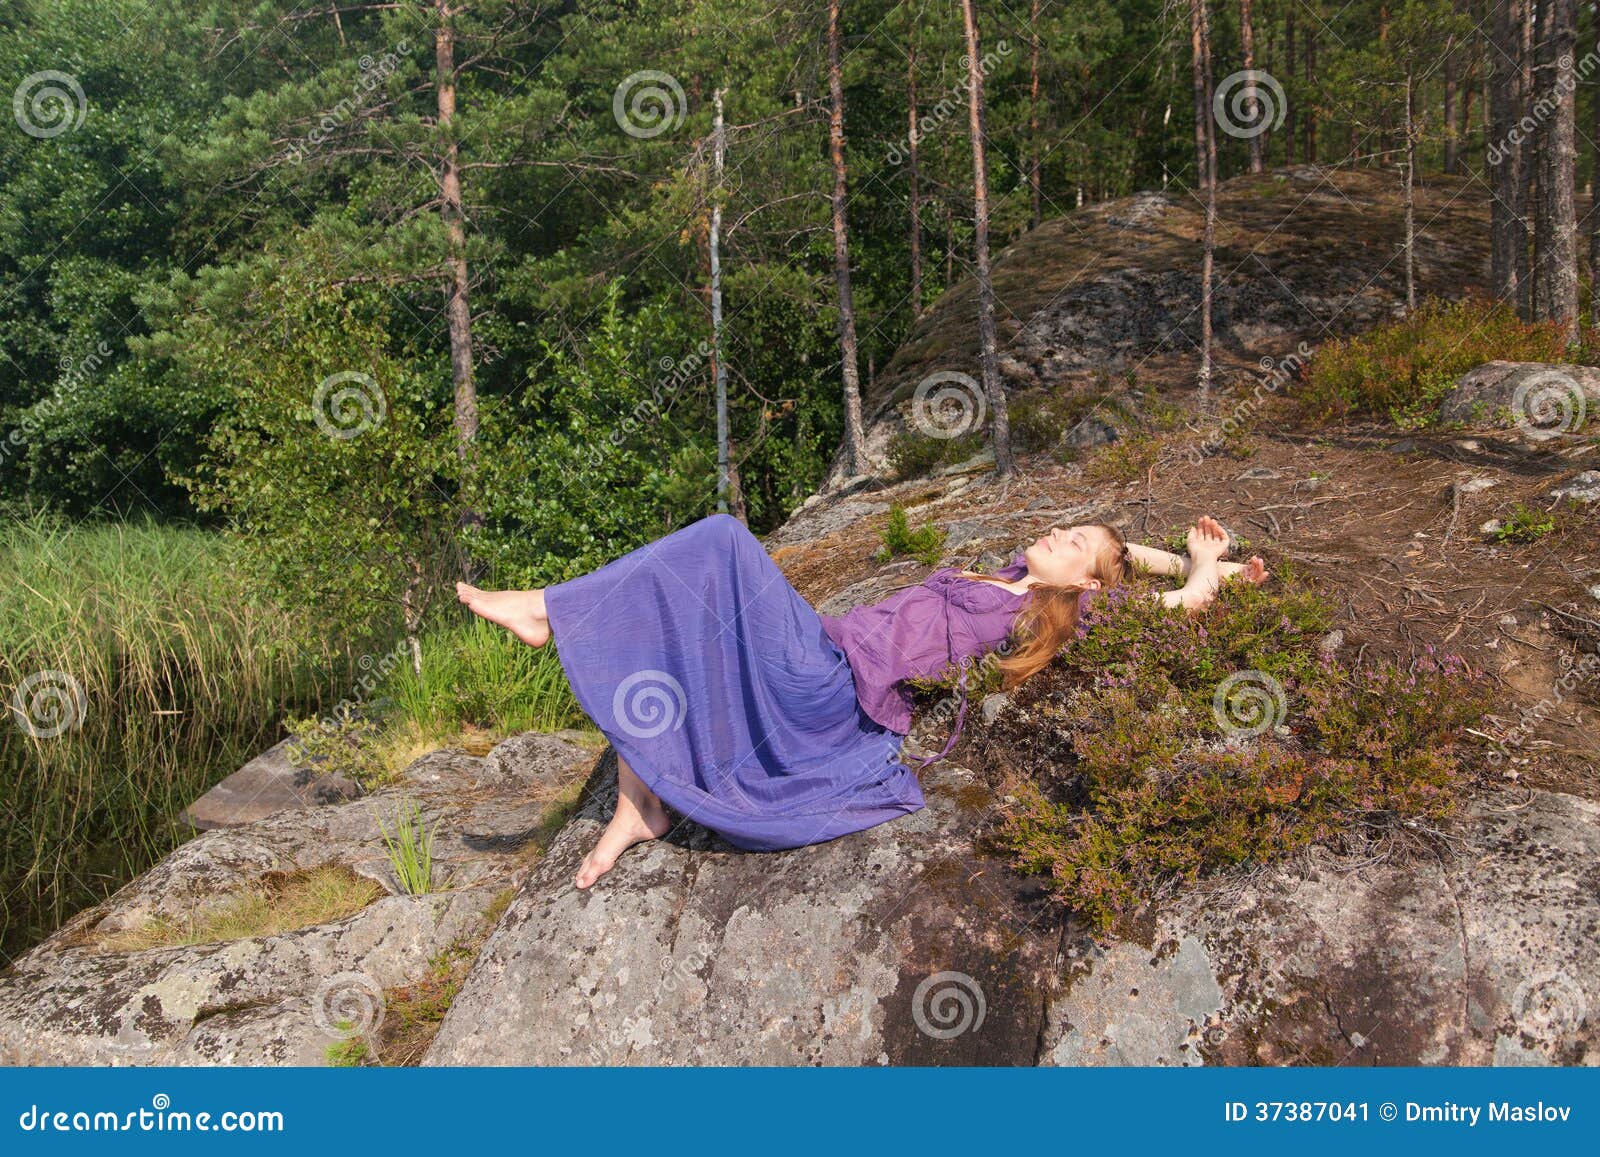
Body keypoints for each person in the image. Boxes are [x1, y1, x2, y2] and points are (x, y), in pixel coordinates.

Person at [456, 512, 1267, 889]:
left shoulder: (1063, 611)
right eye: (1063, 526)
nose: (1054, 532)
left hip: (834, 685)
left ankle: (546, 610)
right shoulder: (1010, 575)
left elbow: (1174, 602)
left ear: (1087, 583)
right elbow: (1125, 551)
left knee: (720, 543)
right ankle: (641, 805)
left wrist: (1204, 571)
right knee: (695, 618)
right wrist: (1202, 557)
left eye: (1072, 544)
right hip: (823, 648)